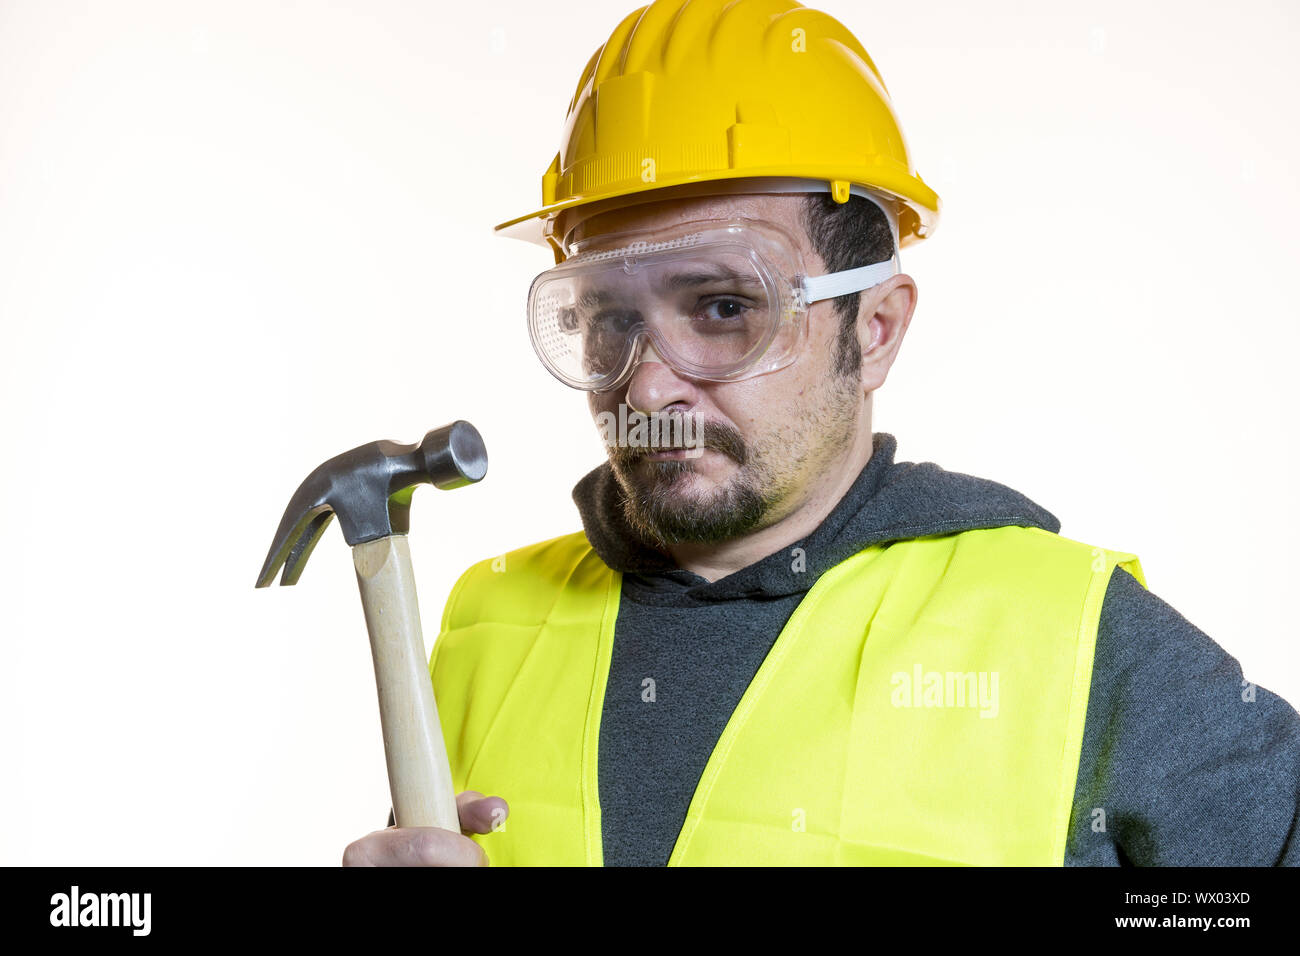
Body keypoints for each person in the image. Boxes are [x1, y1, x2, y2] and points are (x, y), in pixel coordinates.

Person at [343, 0, 1300, 867]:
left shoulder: (1065, 635)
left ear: (874, 329)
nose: (648, 381)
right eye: (605, 318)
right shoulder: (489, 621)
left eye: (722, 306)